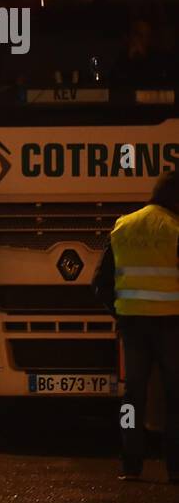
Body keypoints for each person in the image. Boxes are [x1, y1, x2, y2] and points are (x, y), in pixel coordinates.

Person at [91, 170, 179, 482]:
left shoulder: (123, 226)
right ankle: (175, 469)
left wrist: (121, 313)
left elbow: (100, 283)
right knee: (174, 395)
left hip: (133, 326)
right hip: (172, 325)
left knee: (134, 396)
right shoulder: (175, 228)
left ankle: (130, 465)